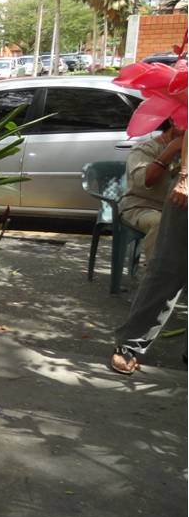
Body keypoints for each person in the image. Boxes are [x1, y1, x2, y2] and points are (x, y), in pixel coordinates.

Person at [110, 130, 188, 375]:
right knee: (167, 269)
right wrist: (185, 175)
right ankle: (130, 343)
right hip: (181, 198)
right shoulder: (149, 148)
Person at [119, 120, 184, 261]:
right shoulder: (145, 149)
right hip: (141, 207)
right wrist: (170, 150)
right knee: (160, 223)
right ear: (173, 121)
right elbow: (144, 180)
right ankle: (156, 273)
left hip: (176, 209)